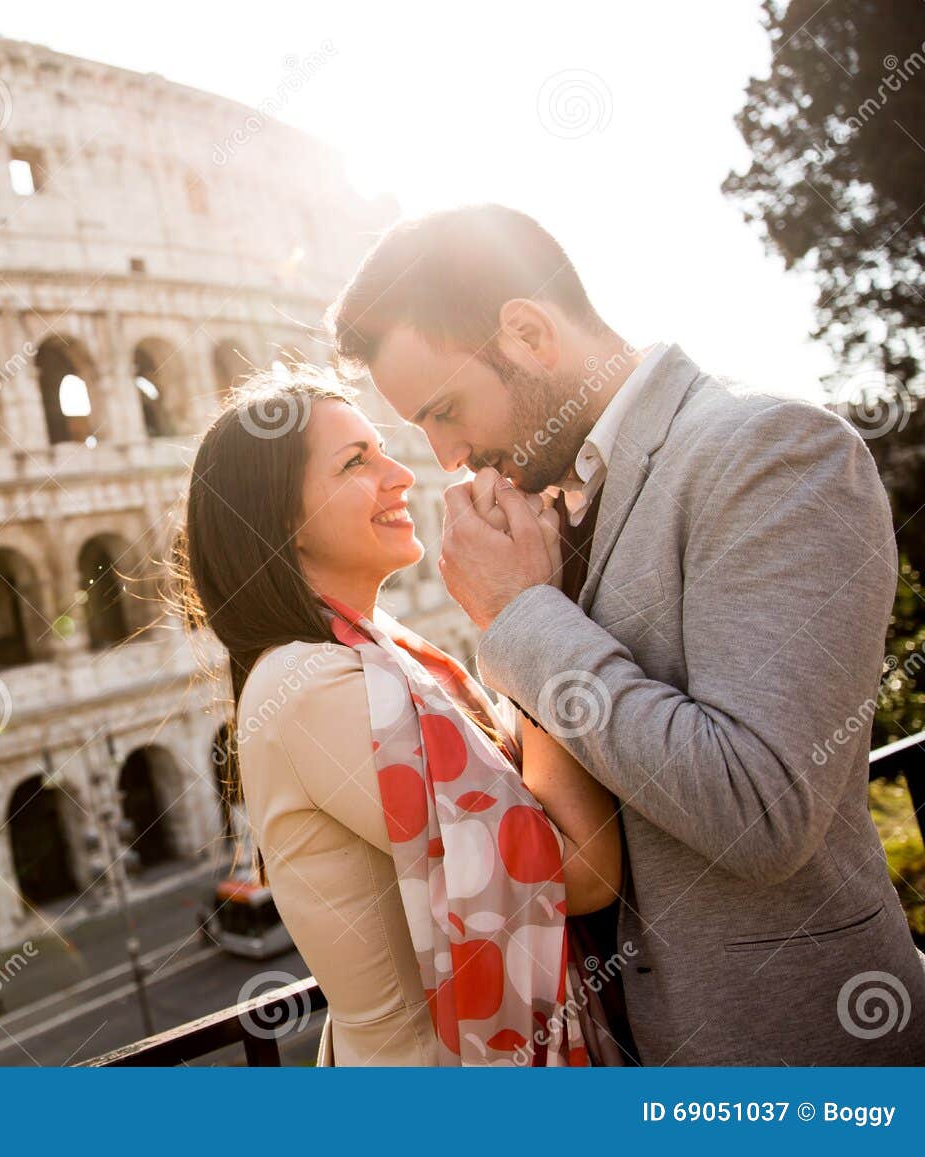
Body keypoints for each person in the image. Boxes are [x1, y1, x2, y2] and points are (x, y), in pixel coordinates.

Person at [326, 202, 925, 1064]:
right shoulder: (539, 509)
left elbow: (760, 811)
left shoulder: (774, 451)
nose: (448, 455)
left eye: (447, 409)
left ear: (529, 333)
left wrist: (521, 616)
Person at [178, 369, 625, 1066]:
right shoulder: (310, 687)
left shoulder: (370, 654)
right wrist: (526, 613)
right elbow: (579, 872)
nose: (400, 475)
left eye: (382, 450)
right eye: (357, 462)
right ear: (277, 520)